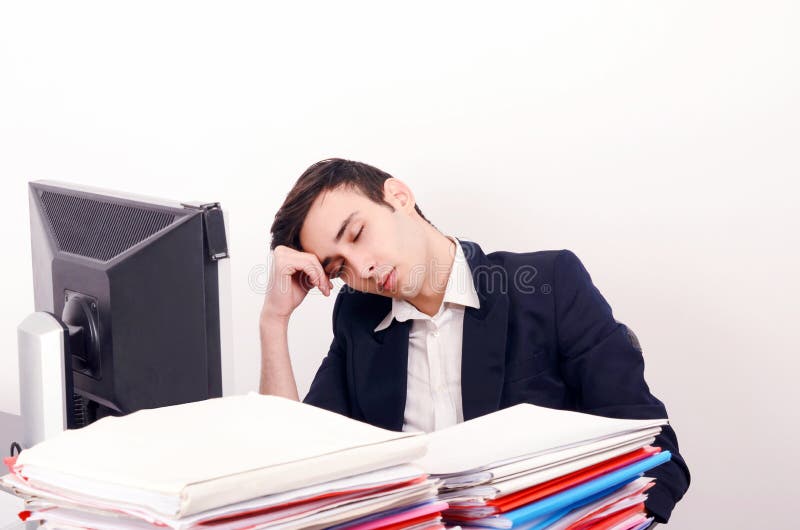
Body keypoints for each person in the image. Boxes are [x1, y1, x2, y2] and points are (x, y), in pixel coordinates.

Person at [260, 158, 690, 524]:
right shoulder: (358, 320)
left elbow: (654, 448)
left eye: (356, 235)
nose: (362, 268)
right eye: (338, 268)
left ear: (399, 197)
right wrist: (274, 322)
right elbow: (297, 475)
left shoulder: (548, 284)